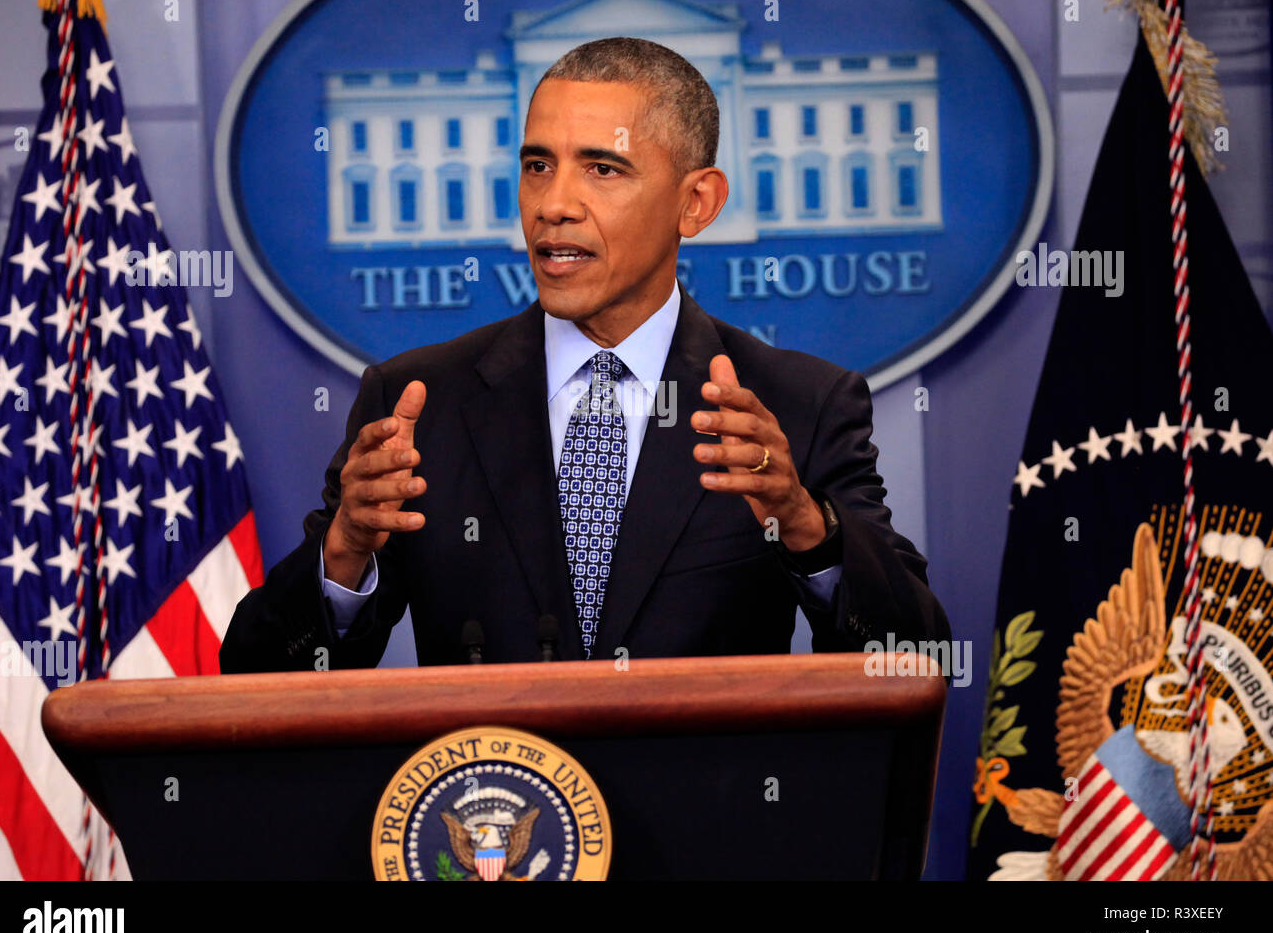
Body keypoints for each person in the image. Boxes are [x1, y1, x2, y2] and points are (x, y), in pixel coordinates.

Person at [220, 37, 949, 672]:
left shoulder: (797, 408)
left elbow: (912, 657)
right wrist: (345, 551)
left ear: (696, 203)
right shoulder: (417, 402)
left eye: (602, 169)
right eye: (538, 166)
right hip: (492, 828)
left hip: (712, 827)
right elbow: (256, 676)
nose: (553, 204)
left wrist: (803, 522)